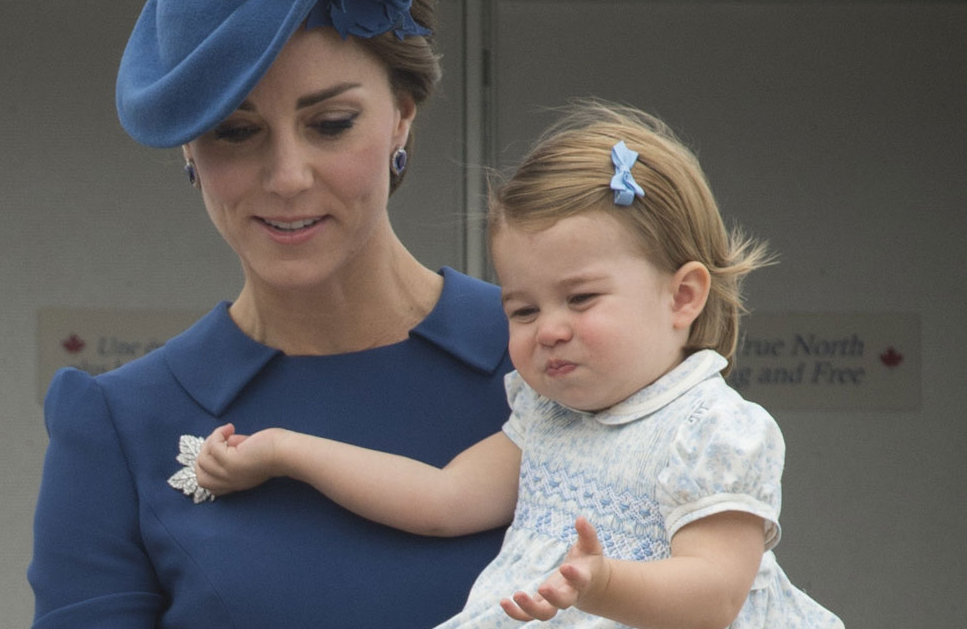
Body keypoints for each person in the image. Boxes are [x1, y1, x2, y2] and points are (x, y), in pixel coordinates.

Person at [28, 0, 513, 628]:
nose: (287, 176)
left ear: (402, 115)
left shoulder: (551, 360)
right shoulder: (123, 424)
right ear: (188, 148)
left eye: (330, 123)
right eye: (235, 133)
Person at [194, 103, 844, 628]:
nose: (549, 330)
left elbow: (715, 596)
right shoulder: (548, 416)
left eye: (581, 299)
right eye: (523, 309)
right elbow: (442, 498)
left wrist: (605, 584)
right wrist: (286, 451)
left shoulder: (712, 428)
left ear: (683, 297)